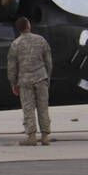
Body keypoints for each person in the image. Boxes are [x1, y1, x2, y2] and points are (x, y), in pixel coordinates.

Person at [6, 17, 52, 146]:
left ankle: (31, 136)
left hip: (25, 80)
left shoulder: (15, 44)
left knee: (28, 108)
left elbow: (12, 66)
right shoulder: (41, 40)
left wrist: (13, 83)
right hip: (41, 77)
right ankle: (45, 136)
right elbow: (48, 61)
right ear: (29, 26)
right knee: (43, 107)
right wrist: (47, 76)